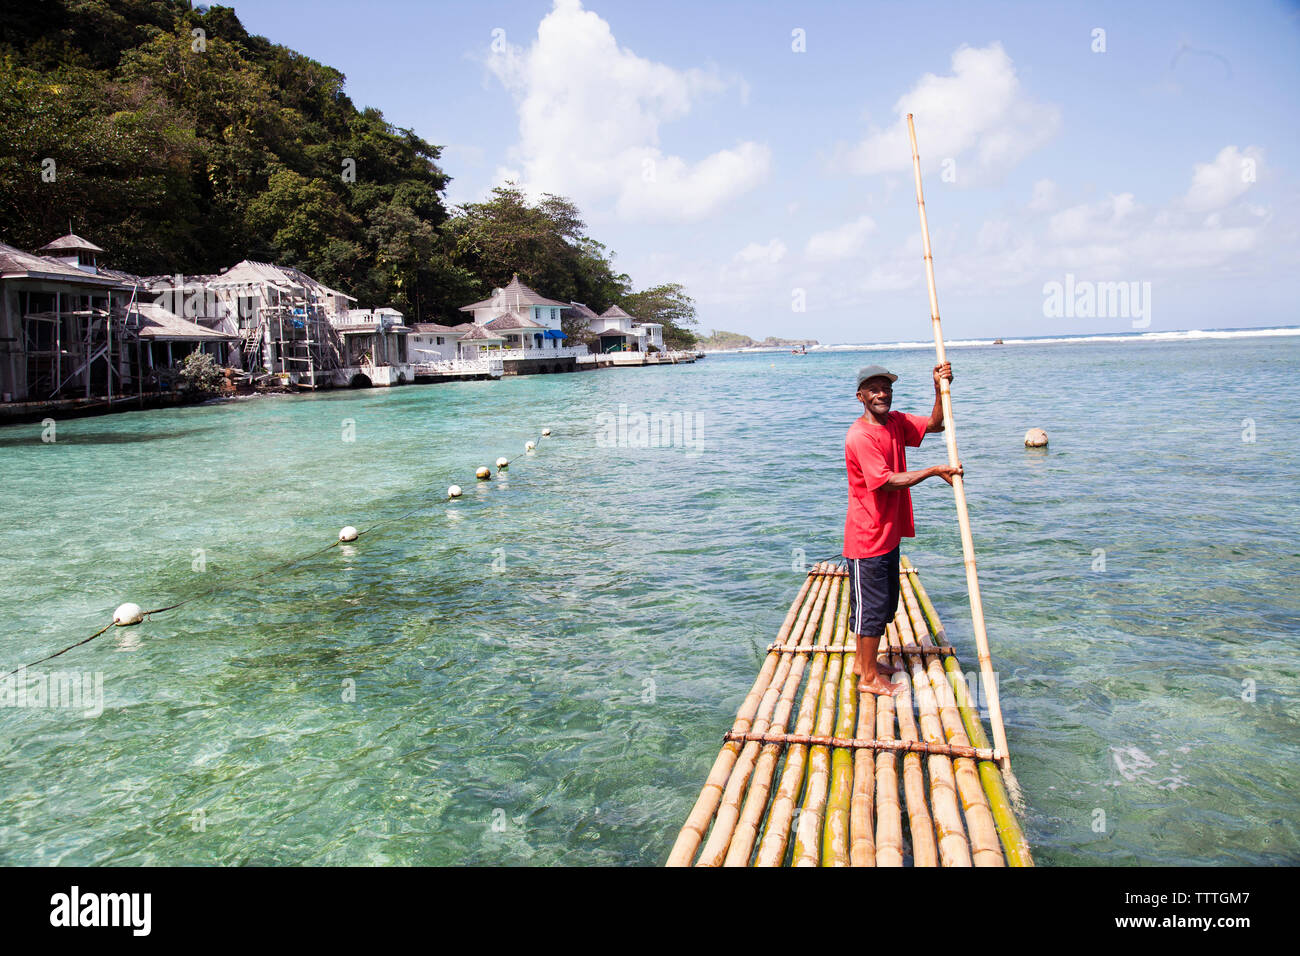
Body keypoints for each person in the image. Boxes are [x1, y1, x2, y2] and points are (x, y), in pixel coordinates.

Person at [844, 362, 961, 695]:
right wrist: (933, 471)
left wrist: (939, 387)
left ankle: (862, 663)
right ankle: (867, 678)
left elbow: (936, 424)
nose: (882, 394)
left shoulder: (895, 422)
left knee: (882, 606)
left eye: (886, 388)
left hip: (889, 532)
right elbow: (886, 483)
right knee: (871, 608)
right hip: (868, 537)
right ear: (861, 396)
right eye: (874, 389)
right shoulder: (861, 436)